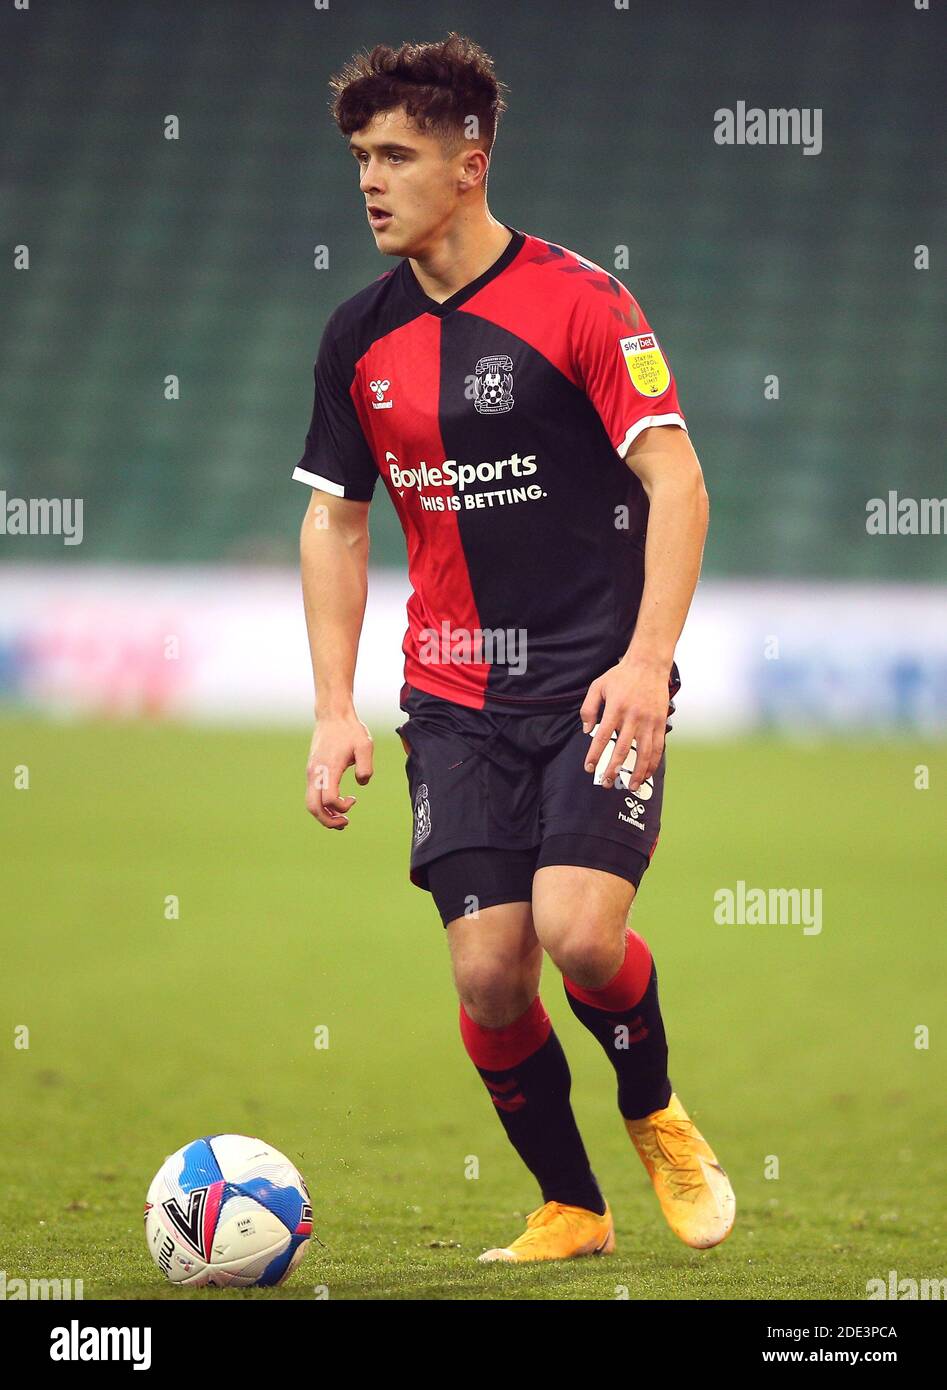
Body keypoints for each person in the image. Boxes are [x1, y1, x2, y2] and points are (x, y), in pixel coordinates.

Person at [295, 32, 734, 1262]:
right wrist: (334, 706)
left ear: (470, 161)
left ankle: (651, 1108)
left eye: (397, 154)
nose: (371, 180)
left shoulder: (581, 300)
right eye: (360, 157)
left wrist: (647, 661)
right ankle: (571, 1206)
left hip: (597, 679)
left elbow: (678, 482)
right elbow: (334, 516)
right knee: (491, 976)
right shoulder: (358, 337)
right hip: (452, 696)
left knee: (579, 933)